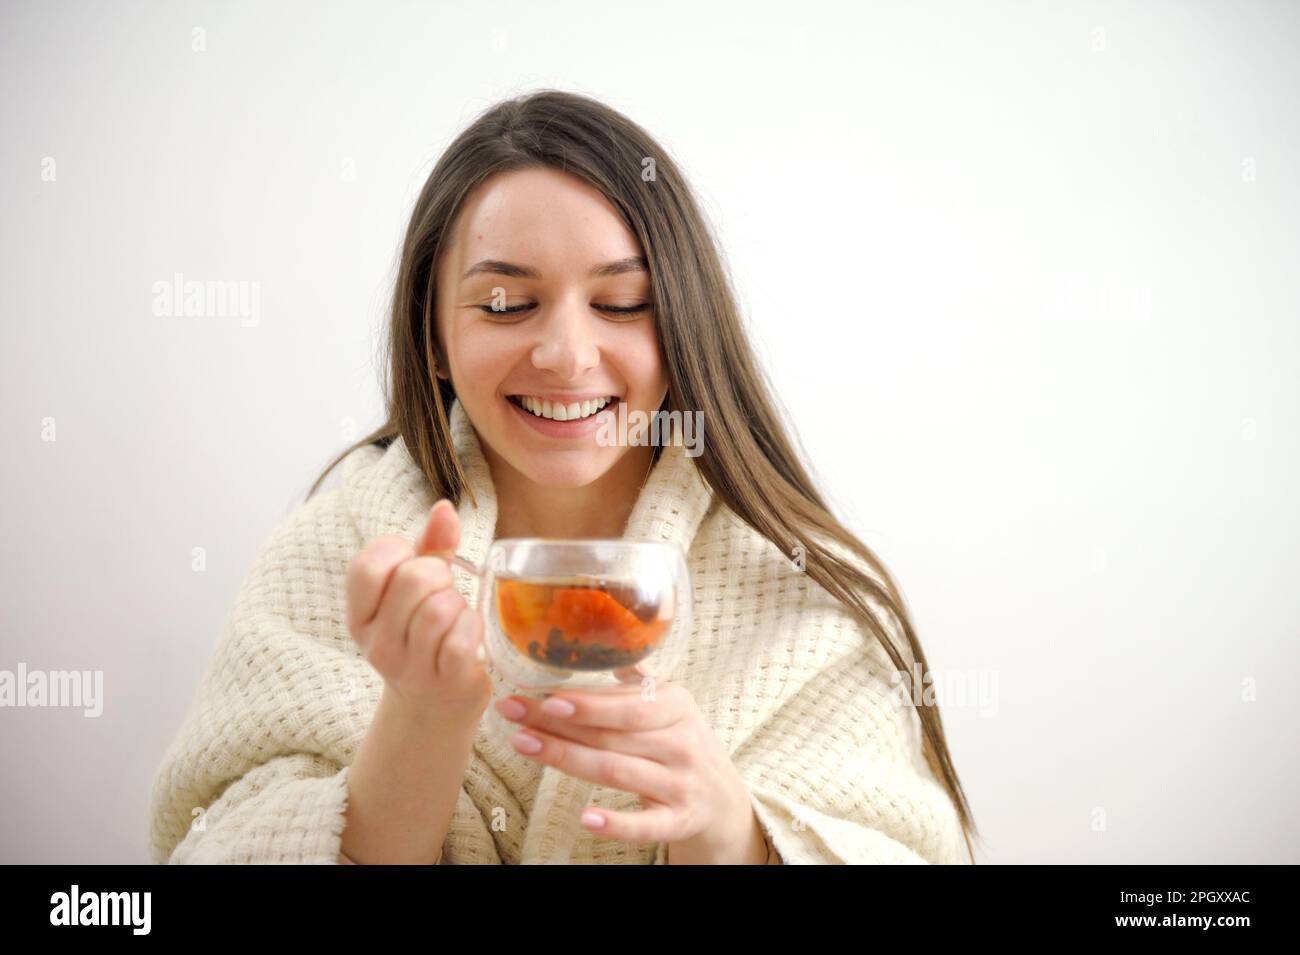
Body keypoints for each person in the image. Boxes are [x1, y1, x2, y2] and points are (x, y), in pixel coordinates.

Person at [148, 89, 979, 864]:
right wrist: (423, 717)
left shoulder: (803, 595)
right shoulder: (335, 555)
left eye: (620, 303)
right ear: (433, 337)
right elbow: (222, 841)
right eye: (506, 304)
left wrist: (730, 831)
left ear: (684, 322)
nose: (566, 355)